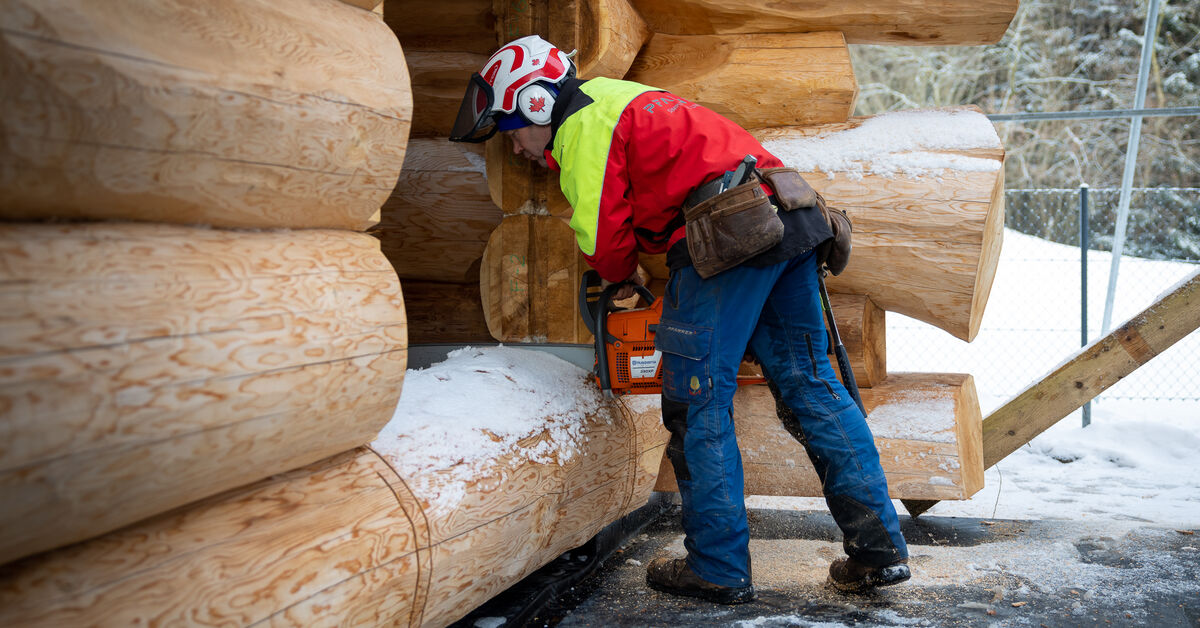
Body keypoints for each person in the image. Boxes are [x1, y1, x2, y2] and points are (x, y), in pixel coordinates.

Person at [450, 35, 909, 604]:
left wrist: (621, 276)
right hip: (791, 215)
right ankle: (879, 553)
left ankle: (716, 568)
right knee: (814, 385)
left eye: (512, 129)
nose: (516, 147)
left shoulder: (582, 128)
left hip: (732, 234)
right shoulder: (618, 97)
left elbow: (600, 234)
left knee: (697, 401)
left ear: (538, 104)